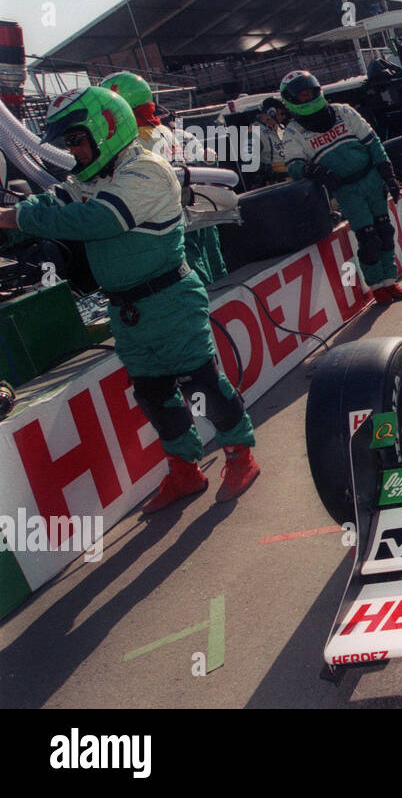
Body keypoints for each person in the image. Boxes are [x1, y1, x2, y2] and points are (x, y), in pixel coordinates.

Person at [0, 86, 259, 512]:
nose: (74, 151)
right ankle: (184, 469)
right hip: (127, 308)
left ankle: (240, 455)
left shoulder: (146, 170)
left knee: (201, 382)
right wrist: (16, 212)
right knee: (153, 393)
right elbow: (56, 199)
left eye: (77, 139)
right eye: (69, 143)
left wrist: (15, 216)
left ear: (106, 129)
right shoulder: (92, 177)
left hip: (170, 298)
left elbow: (99, 219)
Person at [279, 70, 402, 305]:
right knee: (368, 239)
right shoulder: (293, 131)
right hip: (346, 189)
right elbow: (294, 166)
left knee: (385, 230)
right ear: (291, 100)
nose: (307, 97)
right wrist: (317, 171)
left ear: (318, 91)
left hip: (371, 178)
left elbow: (373, 143)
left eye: (310, 92)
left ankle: (390, 281)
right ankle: (376, 287)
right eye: (301, 95)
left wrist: (388, 175)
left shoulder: (343, 111)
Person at [100, 71, 228, 285]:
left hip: (170, 223)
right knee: (219, 272)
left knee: (196, 276)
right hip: (200, 210)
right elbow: (209, 163)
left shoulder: (127, 146)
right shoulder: (171, 132)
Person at [256, 97, 288, 185]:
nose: (284, 116)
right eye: (281, 113)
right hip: (276, 184)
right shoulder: (255, 133)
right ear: (271, 113)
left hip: (291, 179)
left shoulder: (280, 127)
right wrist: (270, 173)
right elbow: (249, 163)